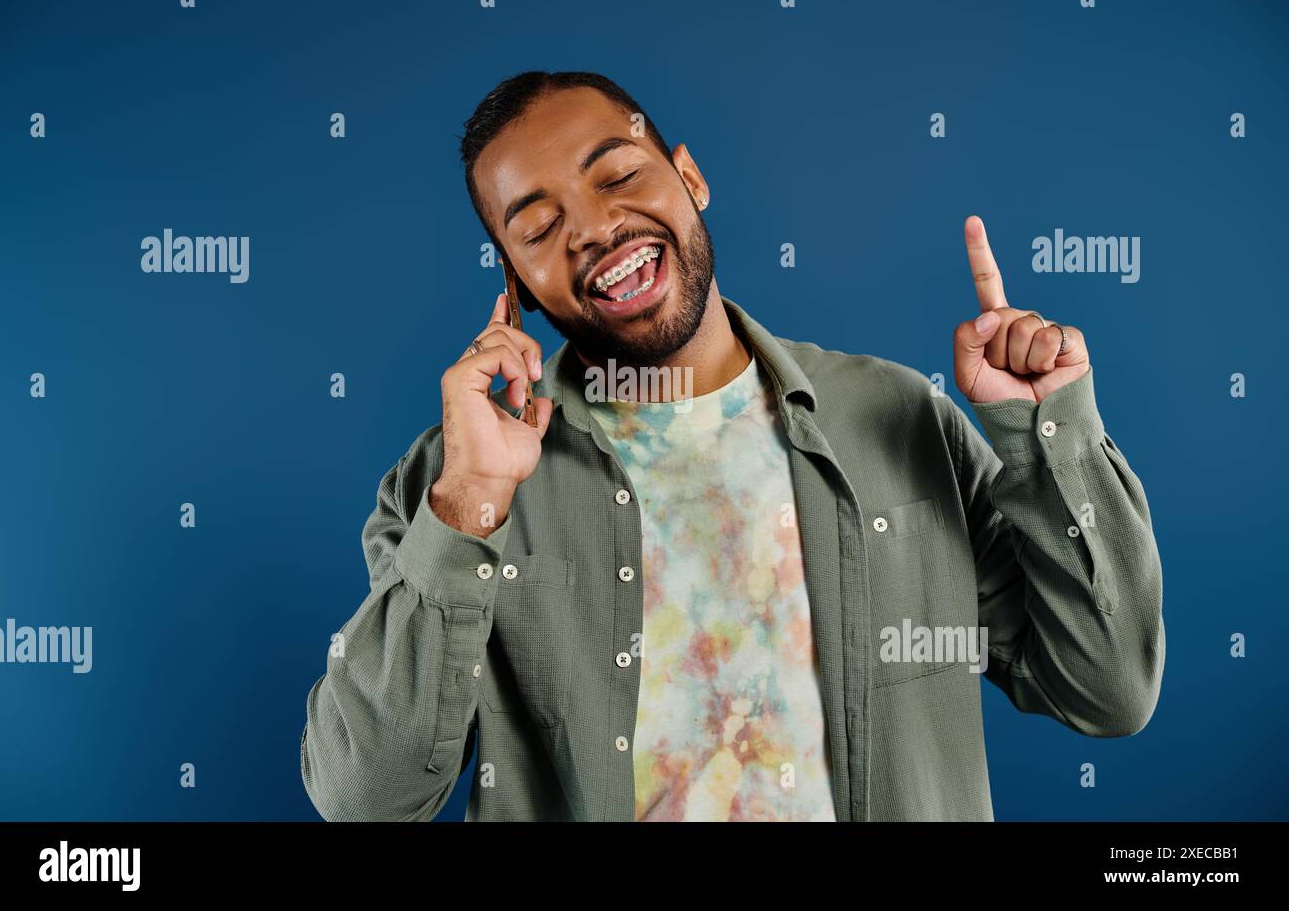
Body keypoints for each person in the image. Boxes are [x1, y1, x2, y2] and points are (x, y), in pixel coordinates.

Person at [300, 71, 1164, 821]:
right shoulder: (445, 486)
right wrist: (472, 503)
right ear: (514, 284)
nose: (594, 227)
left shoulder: (897, 417)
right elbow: (366, 799)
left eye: (618, 176)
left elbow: (1108, 690)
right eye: (537, 226)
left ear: (690, 178)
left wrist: (1049, 433)